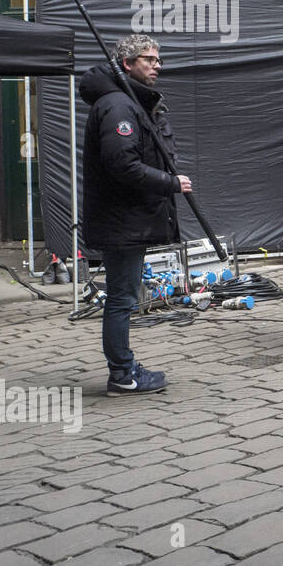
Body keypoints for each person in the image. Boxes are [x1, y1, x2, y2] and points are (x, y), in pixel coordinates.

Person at [81, 34, 189, 395]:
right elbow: (121, 163)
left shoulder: (130, 102)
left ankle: (123, 367)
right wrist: (169, 182)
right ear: (127, 64)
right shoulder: (118, 106)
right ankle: (122, 375)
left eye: (158, 59)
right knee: (122, 298)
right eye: (149, 59)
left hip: (128, 219)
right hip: (121, 221)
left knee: (123, 296)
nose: (157, 65)